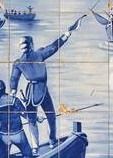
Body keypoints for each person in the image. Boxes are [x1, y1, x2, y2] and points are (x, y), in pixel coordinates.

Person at [11, 19, 82, 148]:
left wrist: (13, 91)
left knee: (32, 120)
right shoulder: (39, 54)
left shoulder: (18, 62)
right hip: (41, 90)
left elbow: (13, 80)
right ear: (31, 44)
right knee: (50, 116)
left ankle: (35, 146)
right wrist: (67, 34)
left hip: (30, 92)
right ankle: (52, 141)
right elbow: (54, 47)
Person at [0, 79, 33, 158]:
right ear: (4, 88)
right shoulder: (14, 100)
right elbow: (25, 115)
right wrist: (36, 119)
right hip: (18, 134)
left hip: (4, 136)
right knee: (28, 155)